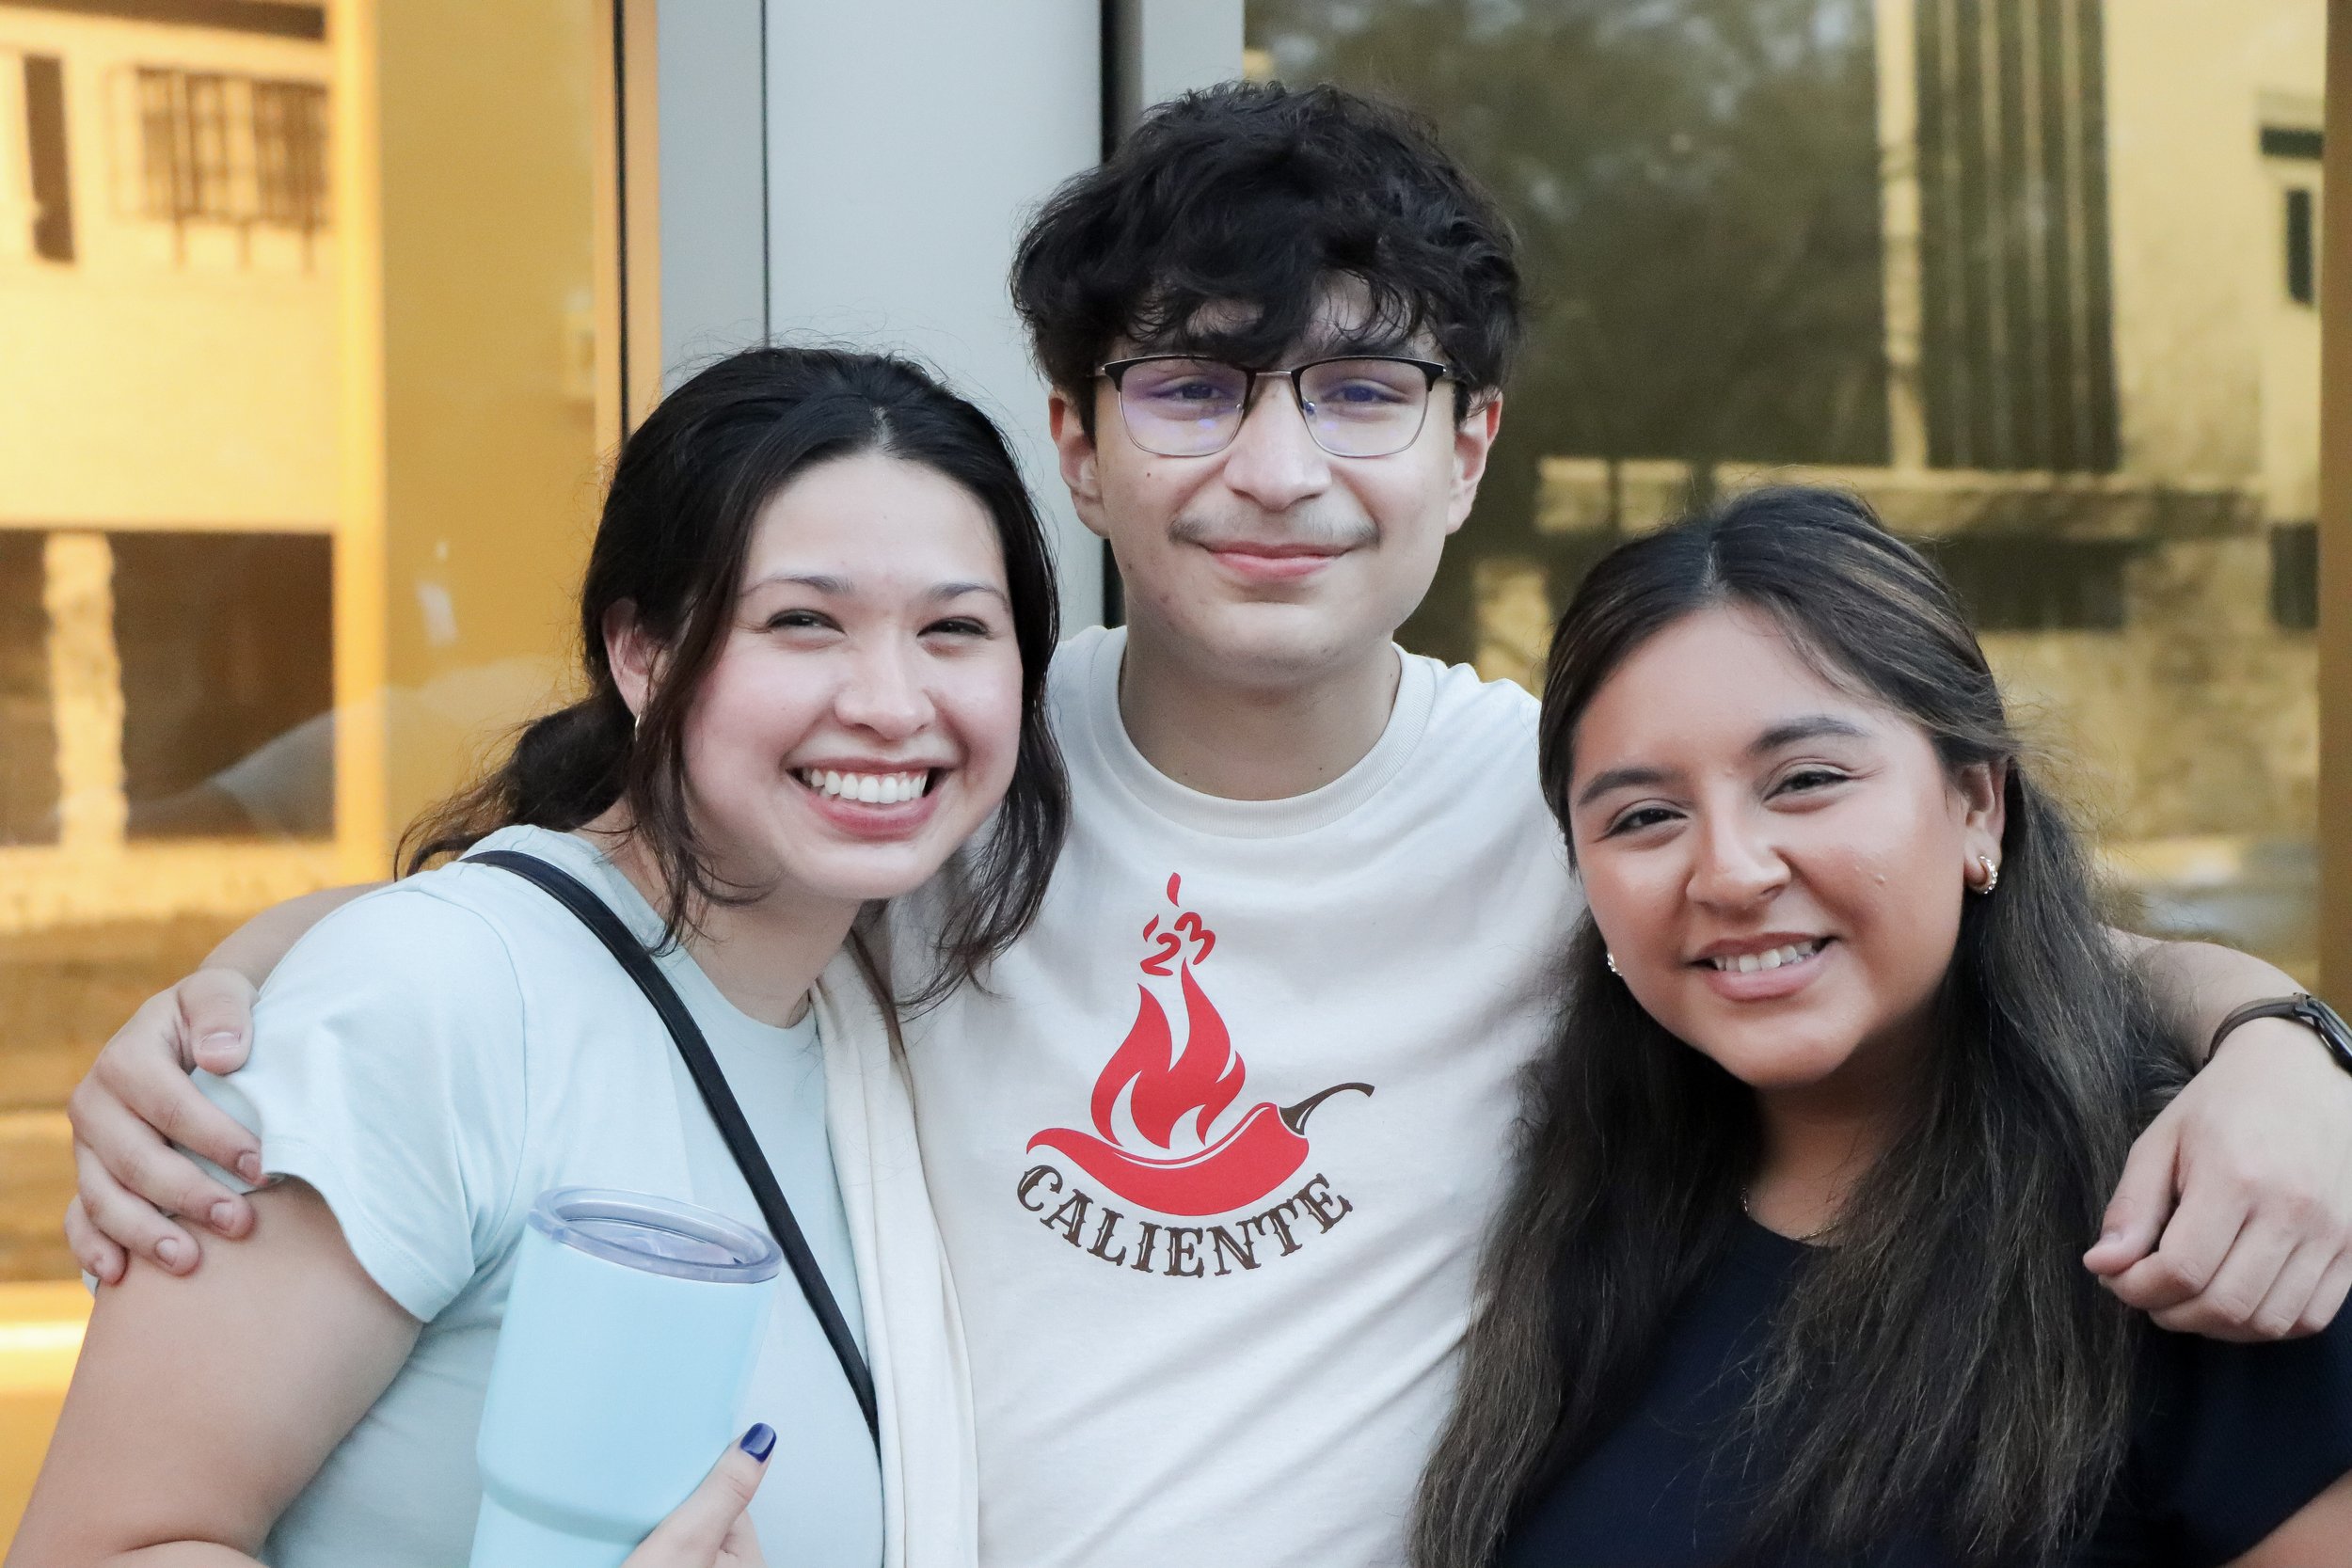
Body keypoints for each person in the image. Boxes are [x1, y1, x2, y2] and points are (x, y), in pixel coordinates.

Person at [54, 85, 2352, 1568]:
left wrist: (2279, 1050)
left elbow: (1941, 928)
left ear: (1467, 453)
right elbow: (582, 900)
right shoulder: (936, 763)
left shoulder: (1579, 814)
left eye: (1364, 388)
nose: (1278, 466)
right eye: (1192, 382)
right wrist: (255, 985)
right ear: (1075, 437)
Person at [8, 346, 1068, 1568]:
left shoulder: (879, 1018)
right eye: (802, 621)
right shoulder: (432, 997)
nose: (890, 699)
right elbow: (101, 1546)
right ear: (642, 652)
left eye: (954, 629)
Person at [1417, 487, 2352, 1567]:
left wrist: (2288, 1040)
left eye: (1806, 780)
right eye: (1643, 816)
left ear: (1976, 807)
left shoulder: (2213, 1215)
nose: (1729, 869)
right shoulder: (1567, 1207)